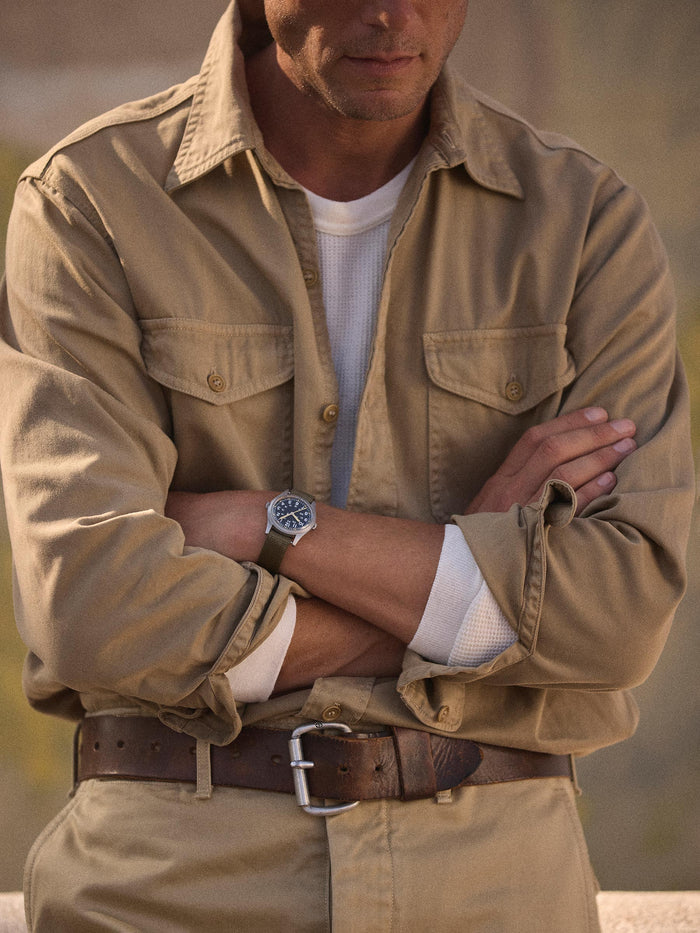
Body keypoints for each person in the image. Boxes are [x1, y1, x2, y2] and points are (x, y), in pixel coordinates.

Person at [0, 1, 693, 930]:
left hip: (498, 886)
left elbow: (615, 614)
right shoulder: (91, 202)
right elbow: (94, 606)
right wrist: (472, 569)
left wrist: (268, 524)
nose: (391, 11)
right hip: (166, 886)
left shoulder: (583, 223)